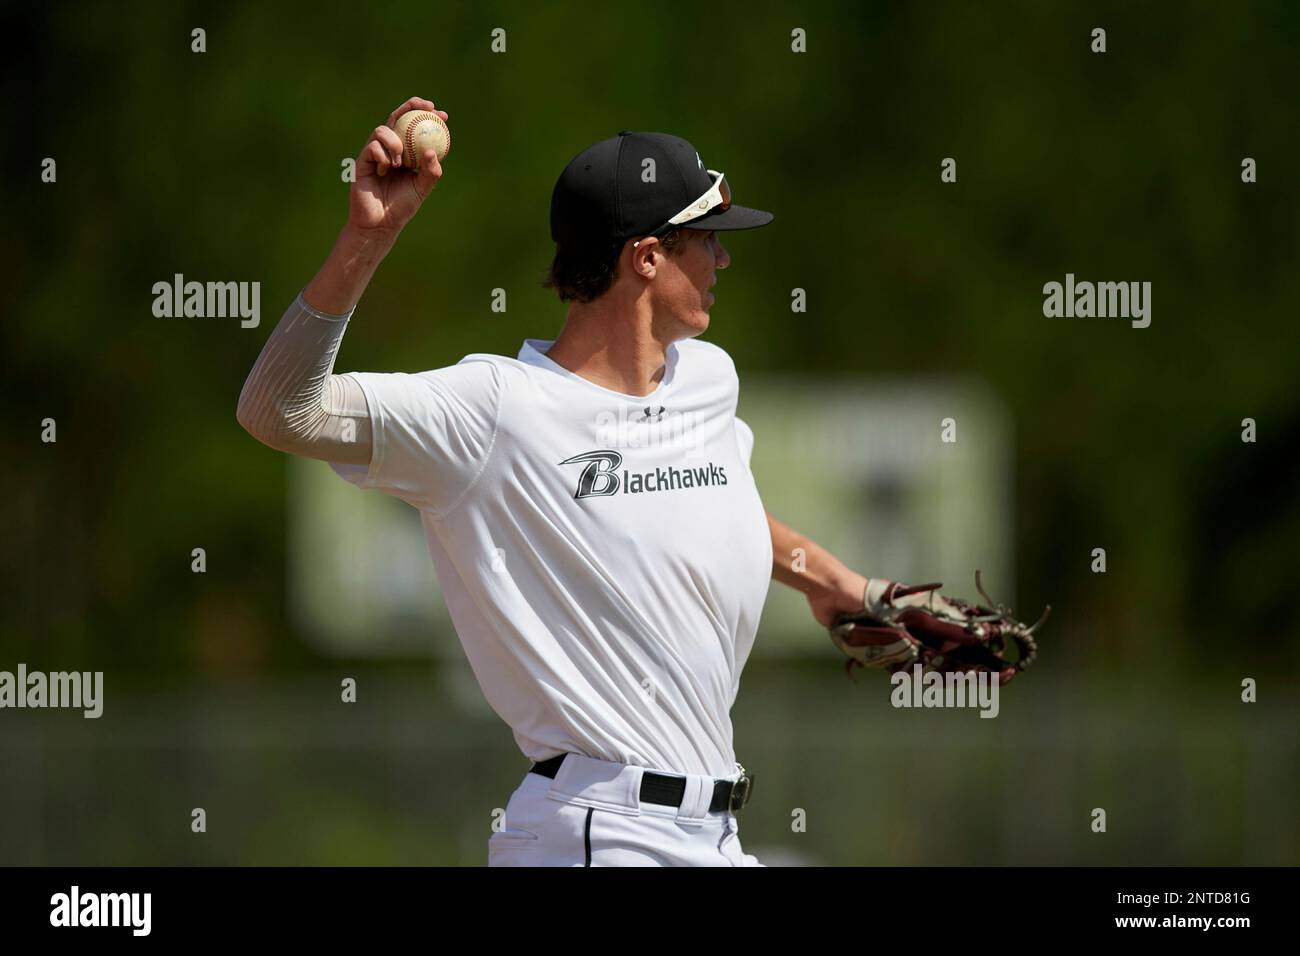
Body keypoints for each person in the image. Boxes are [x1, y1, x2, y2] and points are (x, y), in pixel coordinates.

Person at [238, 97, 879, 866]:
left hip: (715, 835)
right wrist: (367, 239)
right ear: (646, 257)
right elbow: (277, 409)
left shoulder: (705, 380)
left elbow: (712, 507)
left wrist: (831, 580)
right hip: (598, 832)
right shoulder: (495, 411)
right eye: (706, 239)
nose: (723, 259)